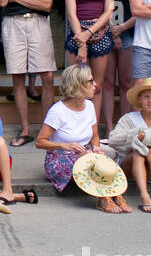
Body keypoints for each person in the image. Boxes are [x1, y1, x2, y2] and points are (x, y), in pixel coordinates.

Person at [0, 0, 57, 144]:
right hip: (13, 24)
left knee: (48, 77)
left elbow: (47, 5)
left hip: (38, 23)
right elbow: (2, 0)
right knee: (18, 78)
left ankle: (46, 129)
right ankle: (24, 130)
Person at [36, 65, 124, 212]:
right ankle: (104, 199)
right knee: (91, 158)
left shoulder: (89, 106)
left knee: (108, 153)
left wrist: (96, 147)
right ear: (78, 85)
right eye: (90, 81)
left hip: (85, 152)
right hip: (60, 158)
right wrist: (65, 146)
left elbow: (95, 136)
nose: (95, 84)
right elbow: (40, 142)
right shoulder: (58, 111)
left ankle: (116, 193)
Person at [105, 77, 151, 213]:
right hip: (127, 167)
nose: (150, 101)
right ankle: (145, 196)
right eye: (146, 97)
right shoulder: (129, 119)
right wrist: (134, 135)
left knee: (150, 151)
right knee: (138, 152)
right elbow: (113, 140)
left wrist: (150, 137)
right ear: (139, 99)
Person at [63, 0, 115, 123]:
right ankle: (73, 127)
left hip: (99, 31)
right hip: (77, 32)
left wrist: (89, 33)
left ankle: (91, 129)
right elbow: (71, 12)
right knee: (75, 84)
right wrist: (81, 40)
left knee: (96, 86)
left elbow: (109, 10)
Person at [103, 0, 141, 127]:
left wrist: (122, 28)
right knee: (108, 82)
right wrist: (112, 29)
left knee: (127, 83)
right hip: (108, 30)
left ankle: (124, 126)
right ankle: (110, 127)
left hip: (131, 32)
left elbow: (142, 10)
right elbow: (104, 4)